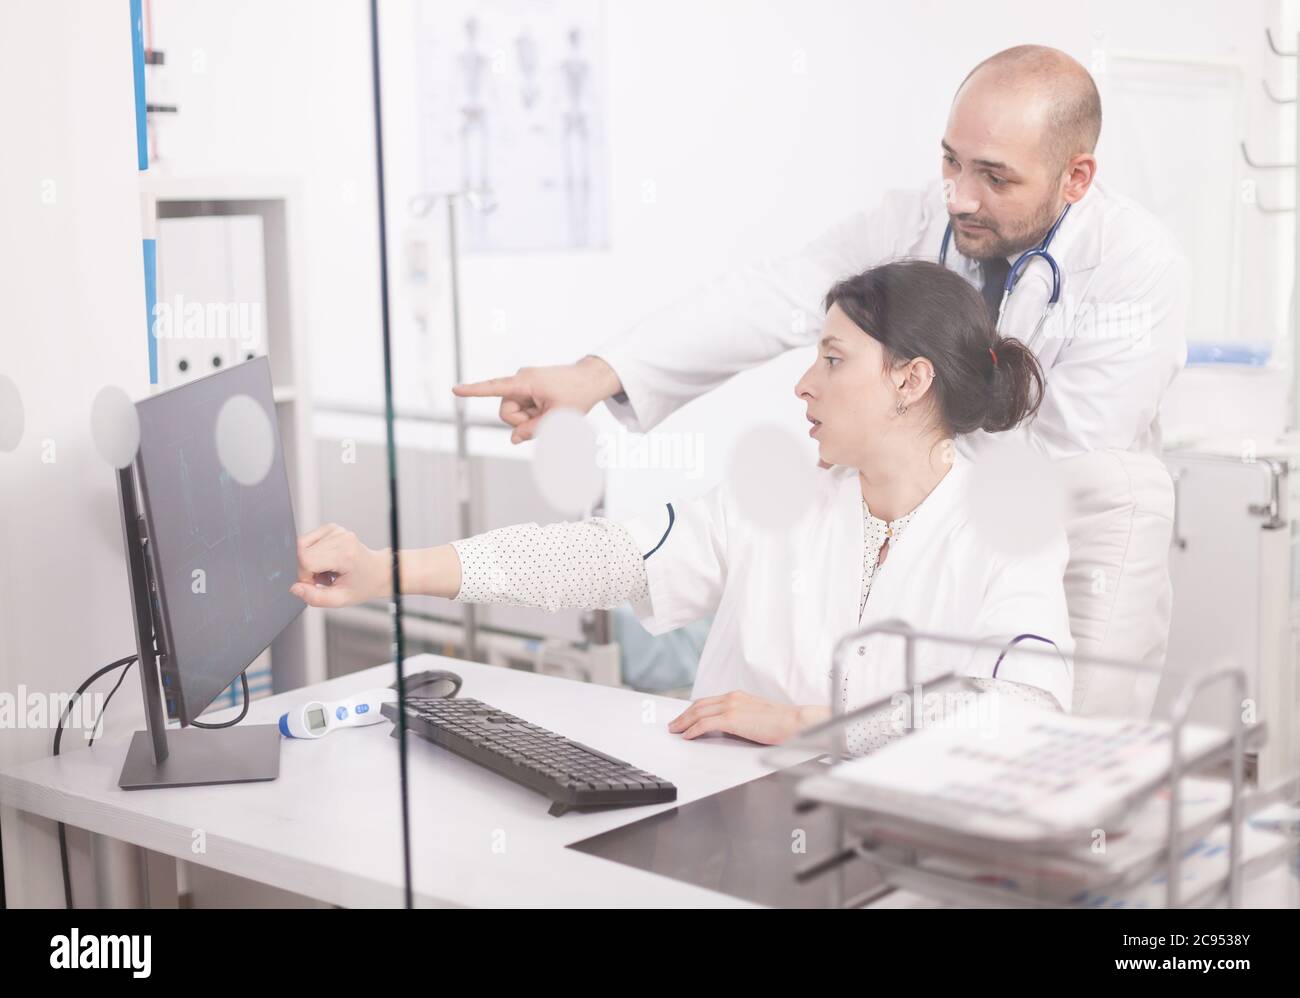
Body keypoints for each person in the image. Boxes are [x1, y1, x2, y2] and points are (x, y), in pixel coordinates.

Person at [450, 45, 1189, 717]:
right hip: (921, 492)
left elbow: (1053, 454)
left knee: (1052, 763)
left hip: (1077, 521)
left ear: (1077, 177)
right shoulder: (916, 221)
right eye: (950, 161)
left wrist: (879, 470)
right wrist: (595, 375)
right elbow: (777, 294)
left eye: (994, 177)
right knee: (900, 739)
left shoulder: (1136, 268)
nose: (959, 197)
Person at [293, 261, 1074, 753]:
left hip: (899, 846)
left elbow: (1023, 710)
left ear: (910, 382)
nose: (804, 384)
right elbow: (604, 558)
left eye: (834, 361)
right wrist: (386, 570)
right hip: (733, 810)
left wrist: (803, 726)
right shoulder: (780, 502)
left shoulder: (1008, 532)